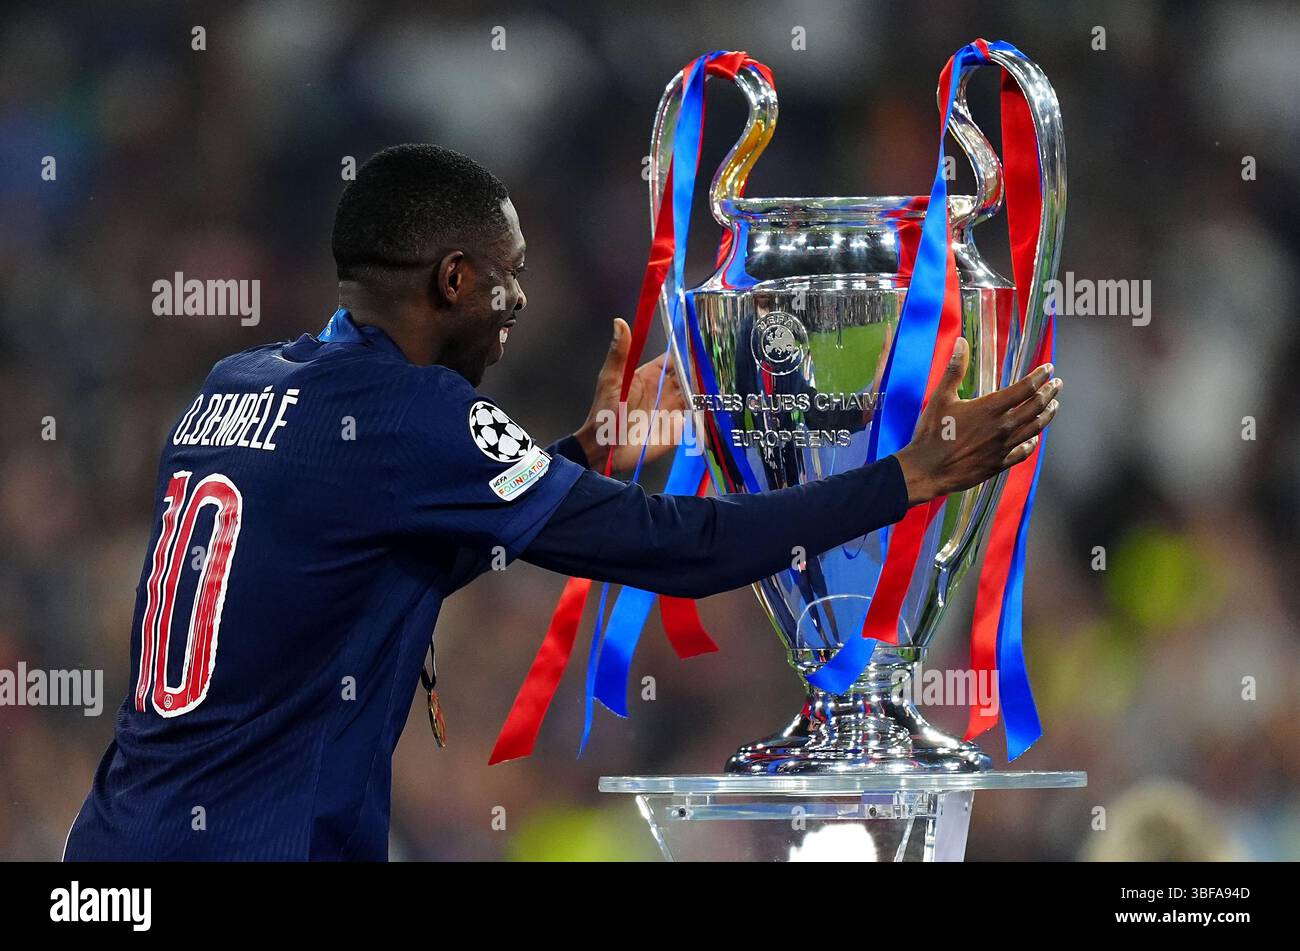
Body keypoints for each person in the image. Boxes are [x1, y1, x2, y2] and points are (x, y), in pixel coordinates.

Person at [65, 144, 1061, 861]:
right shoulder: (413, 415)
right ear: (453, 279)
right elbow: (687, 548)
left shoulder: (237, 385)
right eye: (509, 279)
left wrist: (582, 455)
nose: (521, 307)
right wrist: (906, 478)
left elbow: (360, 553)